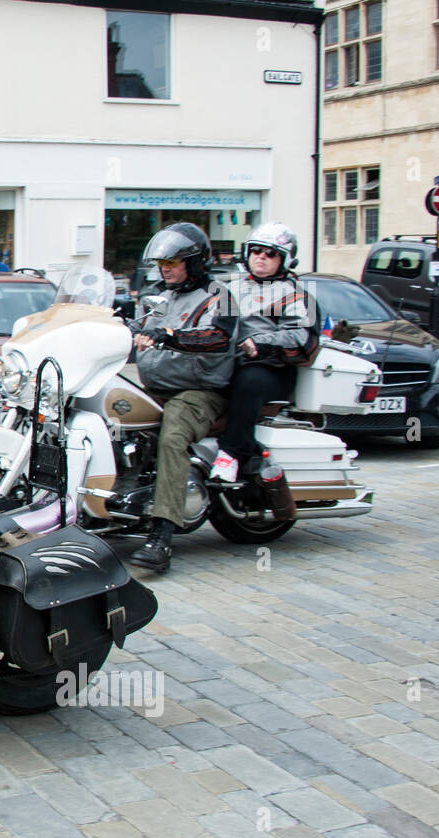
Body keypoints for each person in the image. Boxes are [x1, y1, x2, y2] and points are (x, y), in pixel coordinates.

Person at [129, 222, 238, 574]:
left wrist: (169, 336)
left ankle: (162, 536)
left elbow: (216, 336)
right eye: (162, 264)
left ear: (194, 262)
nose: (165, 269)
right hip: (156, 387)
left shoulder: (219, 296)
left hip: (199, 391)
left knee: (173, 437)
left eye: (173, 263)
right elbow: (138, 328)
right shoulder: (158, 296)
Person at [213, 223, 318, 482]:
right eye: (256, 250)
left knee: (250, 380)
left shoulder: (295, 295)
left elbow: (301, 336)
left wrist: (260, 343)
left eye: (271, 253)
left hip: (270, 369)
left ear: (285, 260)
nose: (261, 257)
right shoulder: (231, 289)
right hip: (227, 365)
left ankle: (231, 453)